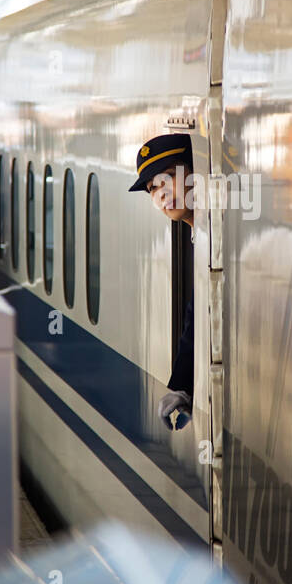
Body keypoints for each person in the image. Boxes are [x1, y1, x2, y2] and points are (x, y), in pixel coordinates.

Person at [129, 132, 194, 431]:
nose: (162, 193)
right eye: (153, 188)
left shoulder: (218, 234)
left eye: (169, 177)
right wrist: (182, 385)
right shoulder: (200, 235)